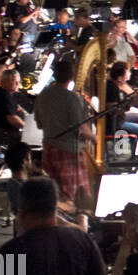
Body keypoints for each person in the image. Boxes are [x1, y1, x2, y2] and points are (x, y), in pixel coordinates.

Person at [33, 59, 96, 206]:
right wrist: (96, 139)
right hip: (68, 152)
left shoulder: (43, 96)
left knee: (55, 195)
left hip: (48, 148)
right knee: (72, 196)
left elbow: (39, 124)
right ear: (72, 76)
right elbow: (81, 128)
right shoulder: (71, 98)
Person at [0, 68, 26, 148]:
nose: (18, 84)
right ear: (4, 81)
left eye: (18, 81)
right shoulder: (3, 96)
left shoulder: (6, 93)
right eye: (14, 81)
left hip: (3, 130)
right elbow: (13, 119)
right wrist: (27, 128)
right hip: (0, 133)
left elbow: (17, 109)